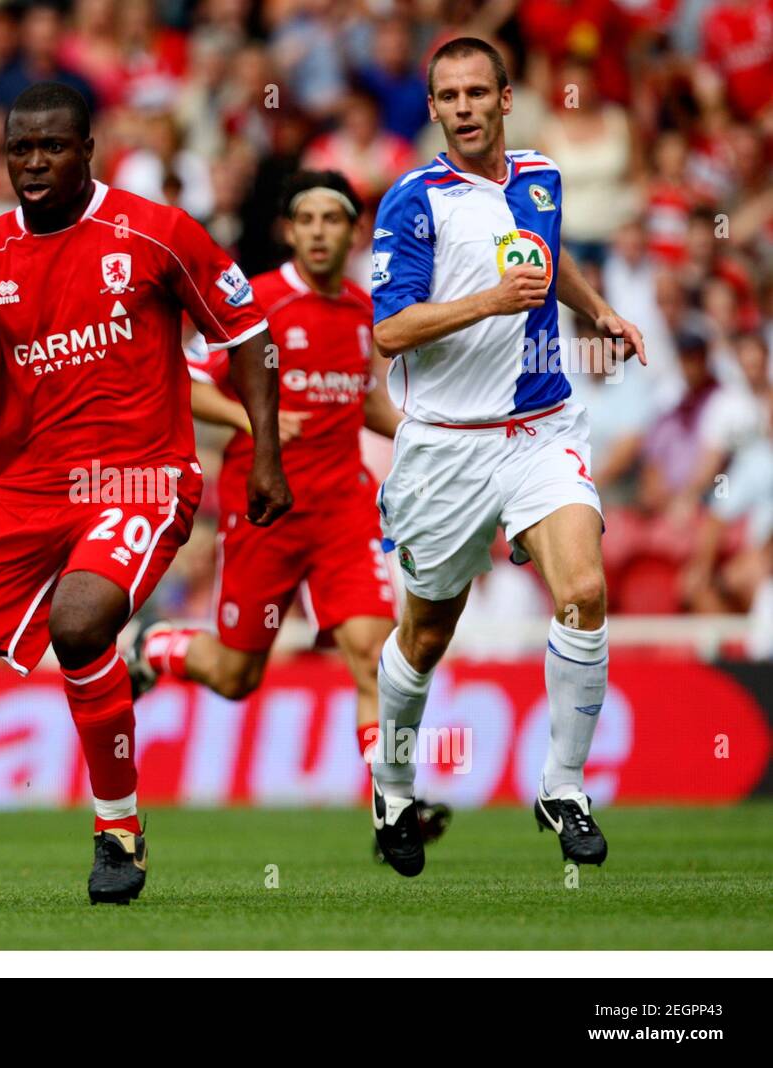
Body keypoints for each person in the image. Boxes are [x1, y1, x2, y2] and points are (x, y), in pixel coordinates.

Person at [0, 81, 290, 906]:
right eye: (19, 148)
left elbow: (247, 332)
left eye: (51, 146)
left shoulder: (155, 231)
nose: (33, 162)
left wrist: (264, 451)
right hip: (24, 489)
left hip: (141, 475)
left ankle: (118, 829)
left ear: (87, 148)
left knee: (80, 621)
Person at [368, 38, 646, 876]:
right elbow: (389, 329)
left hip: (540, 425)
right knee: (423, 637)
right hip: (445, 448)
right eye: (446, 95)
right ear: (433, 107)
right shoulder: (414, 202)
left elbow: (545, 259)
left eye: (475, 92)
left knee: (585, 592)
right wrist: (489, 300)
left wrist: (597, 310)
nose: (462, 107)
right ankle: (392, 785)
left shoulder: (541, 176)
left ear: (504, 98)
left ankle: (563, 785)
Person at [129, 168, 451, 857]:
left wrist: (436, 438)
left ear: (353, 232)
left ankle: (392, 805)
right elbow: (180, 383)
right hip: (265, 514)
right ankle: (155, 647)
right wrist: (259, 420)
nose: (317, 232)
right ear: (288, 230)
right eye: (305, 220)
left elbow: (363, 402)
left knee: (375, 655)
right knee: (236, 677)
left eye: (331, 220)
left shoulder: (366, 312)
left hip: (344, 512)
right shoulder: (257, 301)